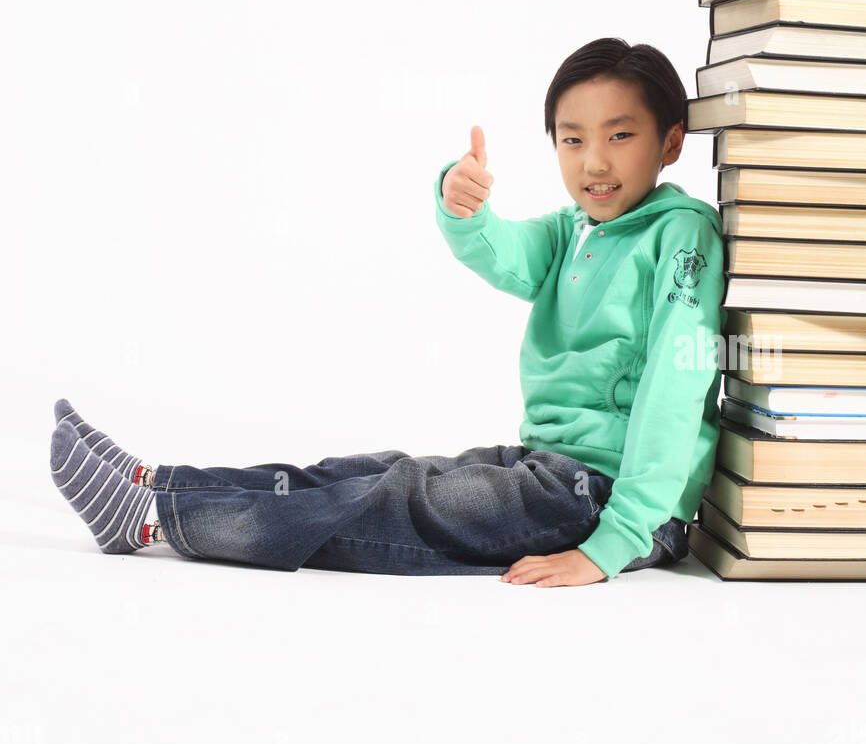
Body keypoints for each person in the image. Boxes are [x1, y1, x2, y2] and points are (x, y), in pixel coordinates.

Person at [49, 36, 725, 586]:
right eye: (572, 140)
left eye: (620, 136)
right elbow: (509, 254)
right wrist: (465, 208)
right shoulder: (575, 229)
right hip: (549, 466)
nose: (593, 163)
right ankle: (158, 481)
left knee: (402, 504)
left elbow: (676, 388)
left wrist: (615, 543)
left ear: (669, 143)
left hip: (609, 500)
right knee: (368, 470)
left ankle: (154, 519)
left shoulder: (680, 236)